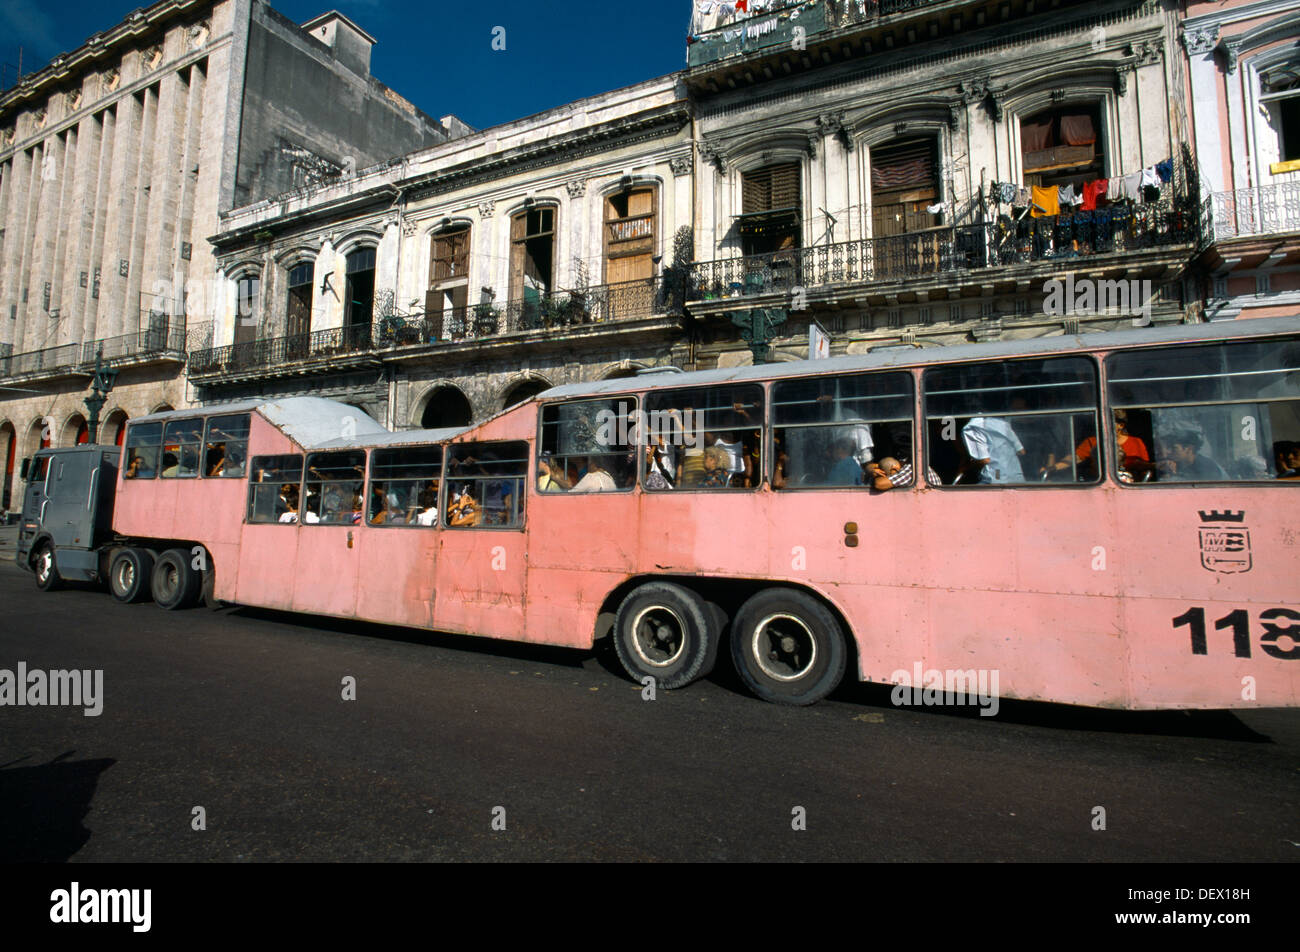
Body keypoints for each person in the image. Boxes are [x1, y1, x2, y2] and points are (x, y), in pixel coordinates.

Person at [961, 415, 1026, 483]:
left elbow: (985, 460)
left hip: (997, 475)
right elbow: (1021, 451)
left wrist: (969, 464)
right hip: (1016, 475)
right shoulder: (1003, 423)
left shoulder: (973, 427)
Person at [1156, 429, 1227, 481]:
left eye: (1174, 448)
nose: (1168, 452)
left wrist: (1173, 476)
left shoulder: (1206, 468)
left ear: (1189, 449)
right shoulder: (1175, 463)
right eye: (1168, 447)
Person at [868, 456, 941, 491]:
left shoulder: (909, 470)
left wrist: (877, 475)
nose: (891, 477)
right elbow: (871, 466)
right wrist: (871, 470)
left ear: (894, 469)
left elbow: (879, 484)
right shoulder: (911, 464)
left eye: (888, 475)